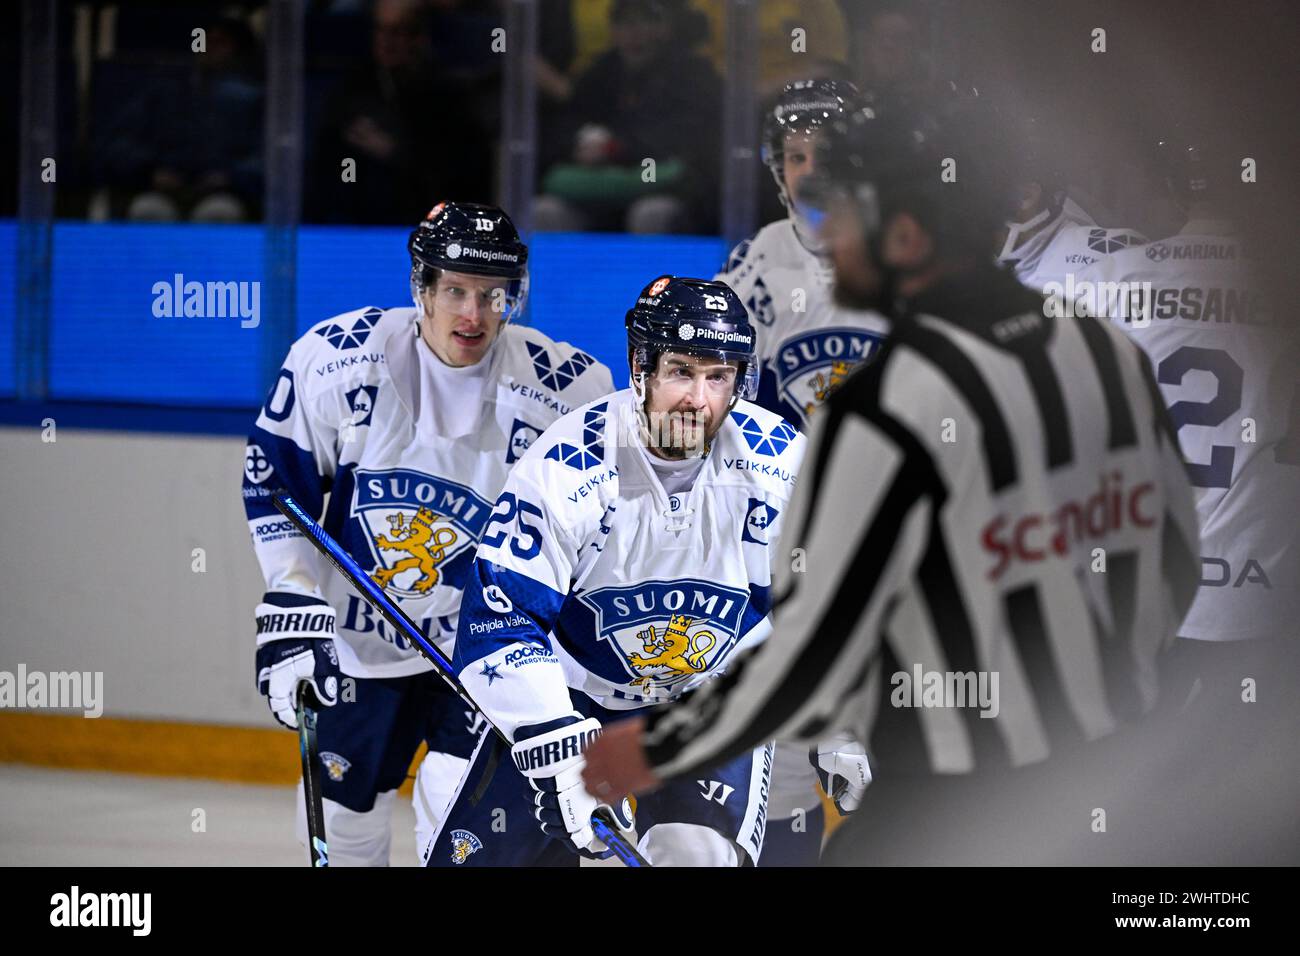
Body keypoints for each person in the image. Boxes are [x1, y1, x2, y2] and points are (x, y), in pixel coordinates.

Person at [580, 101, 1202, 866]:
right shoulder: (1103, 347)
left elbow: (814, 643)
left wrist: (662, 743)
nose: (829, 245)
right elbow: (1172, 552)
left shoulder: (886, 407)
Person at [242, 201, 612, 865]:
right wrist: (294, 593)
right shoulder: (336, 361)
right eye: (454, 292)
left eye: (492, 295)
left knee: (458, 816)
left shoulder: (566, 390)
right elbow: (276, 482)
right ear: (422, 288)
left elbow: (592, 534)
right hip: (360, 644)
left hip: (485, 651)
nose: (472, 315)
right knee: (344, 822)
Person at [422, 276, 805, 866]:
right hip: (574, 703)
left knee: (695, 857)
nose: (698, 400)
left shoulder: (783, 466)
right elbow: (498, 625)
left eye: (718, 376)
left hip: (706, 704)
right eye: (680, 370)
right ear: (640, 366)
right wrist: (555, 744)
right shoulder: (567, 466)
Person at [715, 77, 886, 863]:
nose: (808, 172)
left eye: (828, 154)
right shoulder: (758, 261)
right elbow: (715, 399)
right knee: (784, 756)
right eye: (794, 155)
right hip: (794, 536)